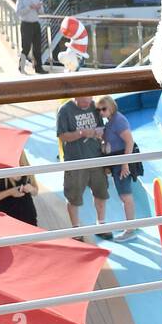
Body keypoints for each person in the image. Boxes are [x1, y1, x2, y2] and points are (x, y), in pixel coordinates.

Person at [56, 94, 112, 238]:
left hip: (96, 158)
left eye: (90, 98)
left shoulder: (94, 106)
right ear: (76, 96)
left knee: (101, 193)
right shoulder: (64, 110)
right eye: (84, 99)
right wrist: (82, 133)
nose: (88, 102)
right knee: (73, 196)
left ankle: (101, 224)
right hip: (75, 161)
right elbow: (62, 135)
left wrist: (103, 138)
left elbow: (102, 128)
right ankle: (76, 230)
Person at [96, 95, 138, 238]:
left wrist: (125, 163)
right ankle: (130, 226)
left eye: (104, 109)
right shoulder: (110, 121)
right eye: (98, 110)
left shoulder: (118, 120)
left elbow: (129, 141)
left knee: (126, 196)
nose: (101, 112)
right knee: (123, 196)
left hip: (121, 160)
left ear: (111, 107)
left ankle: (130, 229)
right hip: (116, 161)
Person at [0, 150, 39, 226]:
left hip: (28, 216)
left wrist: (31, 189)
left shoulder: (25, 165)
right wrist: (10, 192)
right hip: (6, 220)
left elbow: (36, 191)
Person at [15, 0, 45, 73]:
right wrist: (29, 7)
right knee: (26, 47)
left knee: (37, 47)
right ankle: (21, 67)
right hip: (26, 25)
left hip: (36, 24)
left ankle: (38, 68)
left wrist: (39, 7)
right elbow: (18, 12)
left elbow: (42, 12)